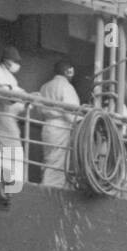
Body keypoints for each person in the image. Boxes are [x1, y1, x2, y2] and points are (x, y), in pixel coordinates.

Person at [37, 59, 81, 187]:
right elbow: (71, 113)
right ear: (68, 72)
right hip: (61, 127)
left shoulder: (44, 87)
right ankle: (51, 189)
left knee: (49, 159)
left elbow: (39, 109)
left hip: (47, 126)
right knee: (58, 161)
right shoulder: (66, 86)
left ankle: (45, 184)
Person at [0, 45, 27, 154]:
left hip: (8, 119)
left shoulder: (11, 78)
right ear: (6, 60)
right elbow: (5, 95)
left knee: (9, 155)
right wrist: (23, 96)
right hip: (1, 117)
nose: (17, 64)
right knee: (9, 154)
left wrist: (26, 103)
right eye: (15, 61)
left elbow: (15, 103)